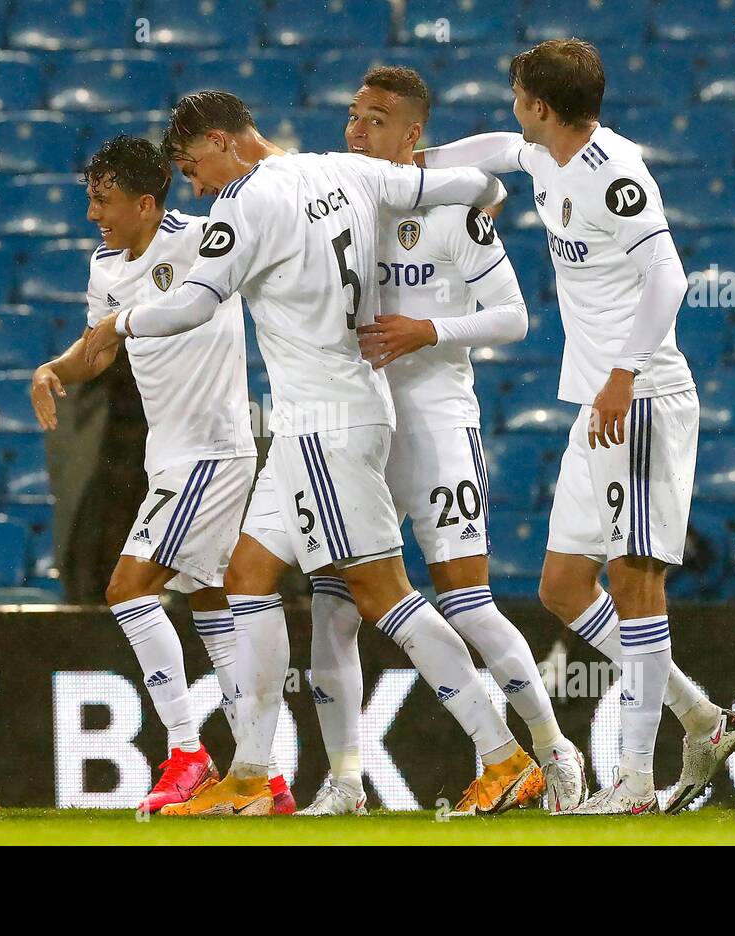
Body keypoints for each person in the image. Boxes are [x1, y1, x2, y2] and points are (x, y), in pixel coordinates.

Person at [86, 91, 545, 818]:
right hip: (327, 418)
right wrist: (490, 190)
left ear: (221, 140)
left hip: (326, 425)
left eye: (191, 162)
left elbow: (195, 304)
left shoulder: (245, 203)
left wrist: (120, 321)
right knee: (247, 574)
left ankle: (503, 755)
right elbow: (457, 183)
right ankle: (250, 776)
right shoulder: (340, 169)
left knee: (383, 595)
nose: (194, 182)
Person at [420, 39, 735, 814]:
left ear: (541, 105)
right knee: (564, 588)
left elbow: (670, 275)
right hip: (599, 404)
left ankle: (634, 781)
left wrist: (624, 373)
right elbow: (502, 151)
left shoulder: (616, 174)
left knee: (636, 581)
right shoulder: (547, 155)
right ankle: (701, 718)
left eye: (516, 96)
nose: (511, 108)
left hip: (638, 399)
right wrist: (418, 159)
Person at [297, 66, 587, 817]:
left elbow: (515, 318)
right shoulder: (337, 202)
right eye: (352, 116)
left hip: (435, 420)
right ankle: (346, 780)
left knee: (466, 600)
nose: (358, 131)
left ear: (414, 136)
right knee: (333, 604)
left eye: (377, 120)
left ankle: (553, 750)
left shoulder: (456, 207)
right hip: (357, 421)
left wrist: (429, 329)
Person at [30, 135, 294, 813]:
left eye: (105, 200)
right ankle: (259, 774)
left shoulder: (207, 241)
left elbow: (279, 220)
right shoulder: (105, 264)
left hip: (212, 450)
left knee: (127, 589)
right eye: (90, 198)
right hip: (169, 456)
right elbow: (99, 350)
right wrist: (57, 367)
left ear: (147, 204)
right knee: (207, 604)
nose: (94, 214)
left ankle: (187, 753)